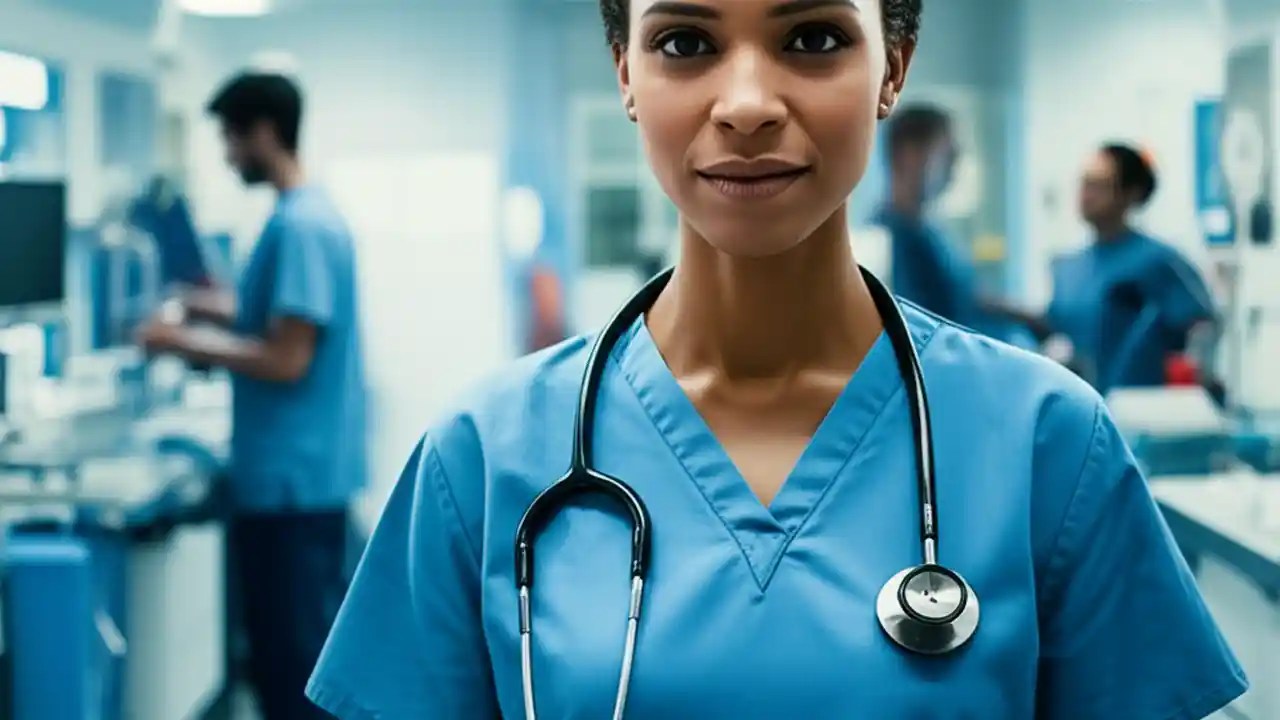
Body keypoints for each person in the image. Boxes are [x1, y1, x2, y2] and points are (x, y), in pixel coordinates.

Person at [306, 2, 1246, 718]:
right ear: (625, 71)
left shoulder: (1048, 446)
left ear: (894, 66)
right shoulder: (482, 457)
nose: (748, 105)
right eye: (684, 43)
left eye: (811, 38)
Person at [137, 72, 366, 720]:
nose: (228, 155)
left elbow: (287, 356)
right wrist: (206, 310)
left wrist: (178, 343)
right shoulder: (308, 215)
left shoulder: (300, 227)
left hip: (290, 487)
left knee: (291, 666)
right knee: (292, 656)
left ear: (264, 131)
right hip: (303, 480)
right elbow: (273, 317)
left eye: (231, 140)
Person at [998, 144, 1216, 393]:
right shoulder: (1069, 267)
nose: (1086, 195)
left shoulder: (1156, 261)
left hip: (1140, 411)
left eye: (1098, 186)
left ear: (1130, 194)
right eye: (1084, 184)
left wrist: (1193, 382)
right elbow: (1059, 330)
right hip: (1084, 407)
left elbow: (1200, 326)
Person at [873, 104, 981, 327]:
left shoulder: (930, 232)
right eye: (946, 154)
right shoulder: (888, 239)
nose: (953, 166)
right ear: (907, 155)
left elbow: (960, 300)